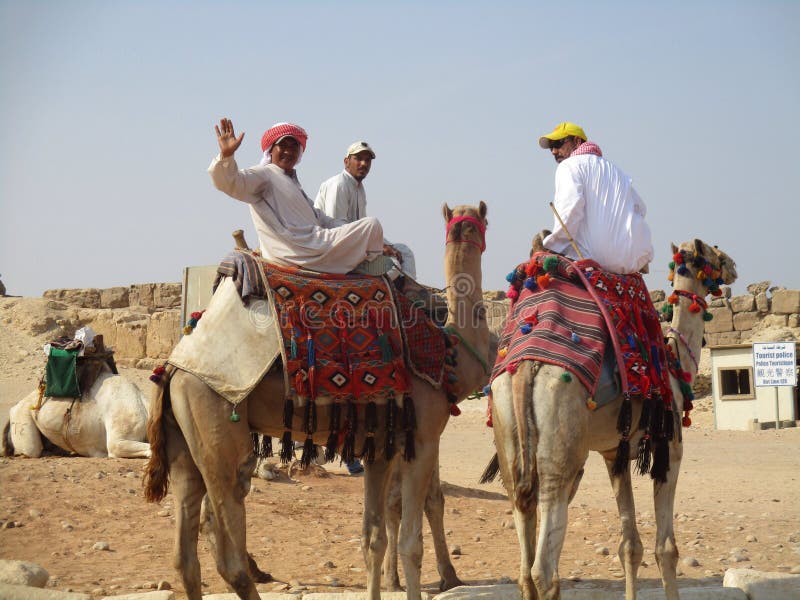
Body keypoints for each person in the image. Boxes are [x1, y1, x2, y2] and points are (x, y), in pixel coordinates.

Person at [208, 119, 386, 274]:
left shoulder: (292, 183)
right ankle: (362, 262)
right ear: (271, 150)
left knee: (369, 227)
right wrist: (226, 155)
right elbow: (230, 182)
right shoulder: (264, 174)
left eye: (294, 147)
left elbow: (321, 218)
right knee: (372, 225)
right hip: (297, 249)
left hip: (314, 243)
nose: (289, 151)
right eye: (283, 146)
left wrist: (348, 229)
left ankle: (360, 260)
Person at [538, 122, 653, 274]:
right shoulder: (616, 171)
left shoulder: (568, 166)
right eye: (551, 147)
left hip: (593, 258)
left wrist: (553, 245)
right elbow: (640, 208)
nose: (553, 151)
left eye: (558, 143)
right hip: (631, 261)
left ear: (577, 142)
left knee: (539, 262)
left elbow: (570, 209)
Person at [315, 141, 416, 279]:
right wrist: (380, 248)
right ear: (346, 161)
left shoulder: (359, 188)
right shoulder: (339, 184)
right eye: (358, 158)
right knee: (393, 266)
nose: (364, 163)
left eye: (367, 160)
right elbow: (337, 230)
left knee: (404, 252)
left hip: (354, 246)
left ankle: (409, 291)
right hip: (335, 252)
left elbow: (362, 227)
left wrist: (385, 245)